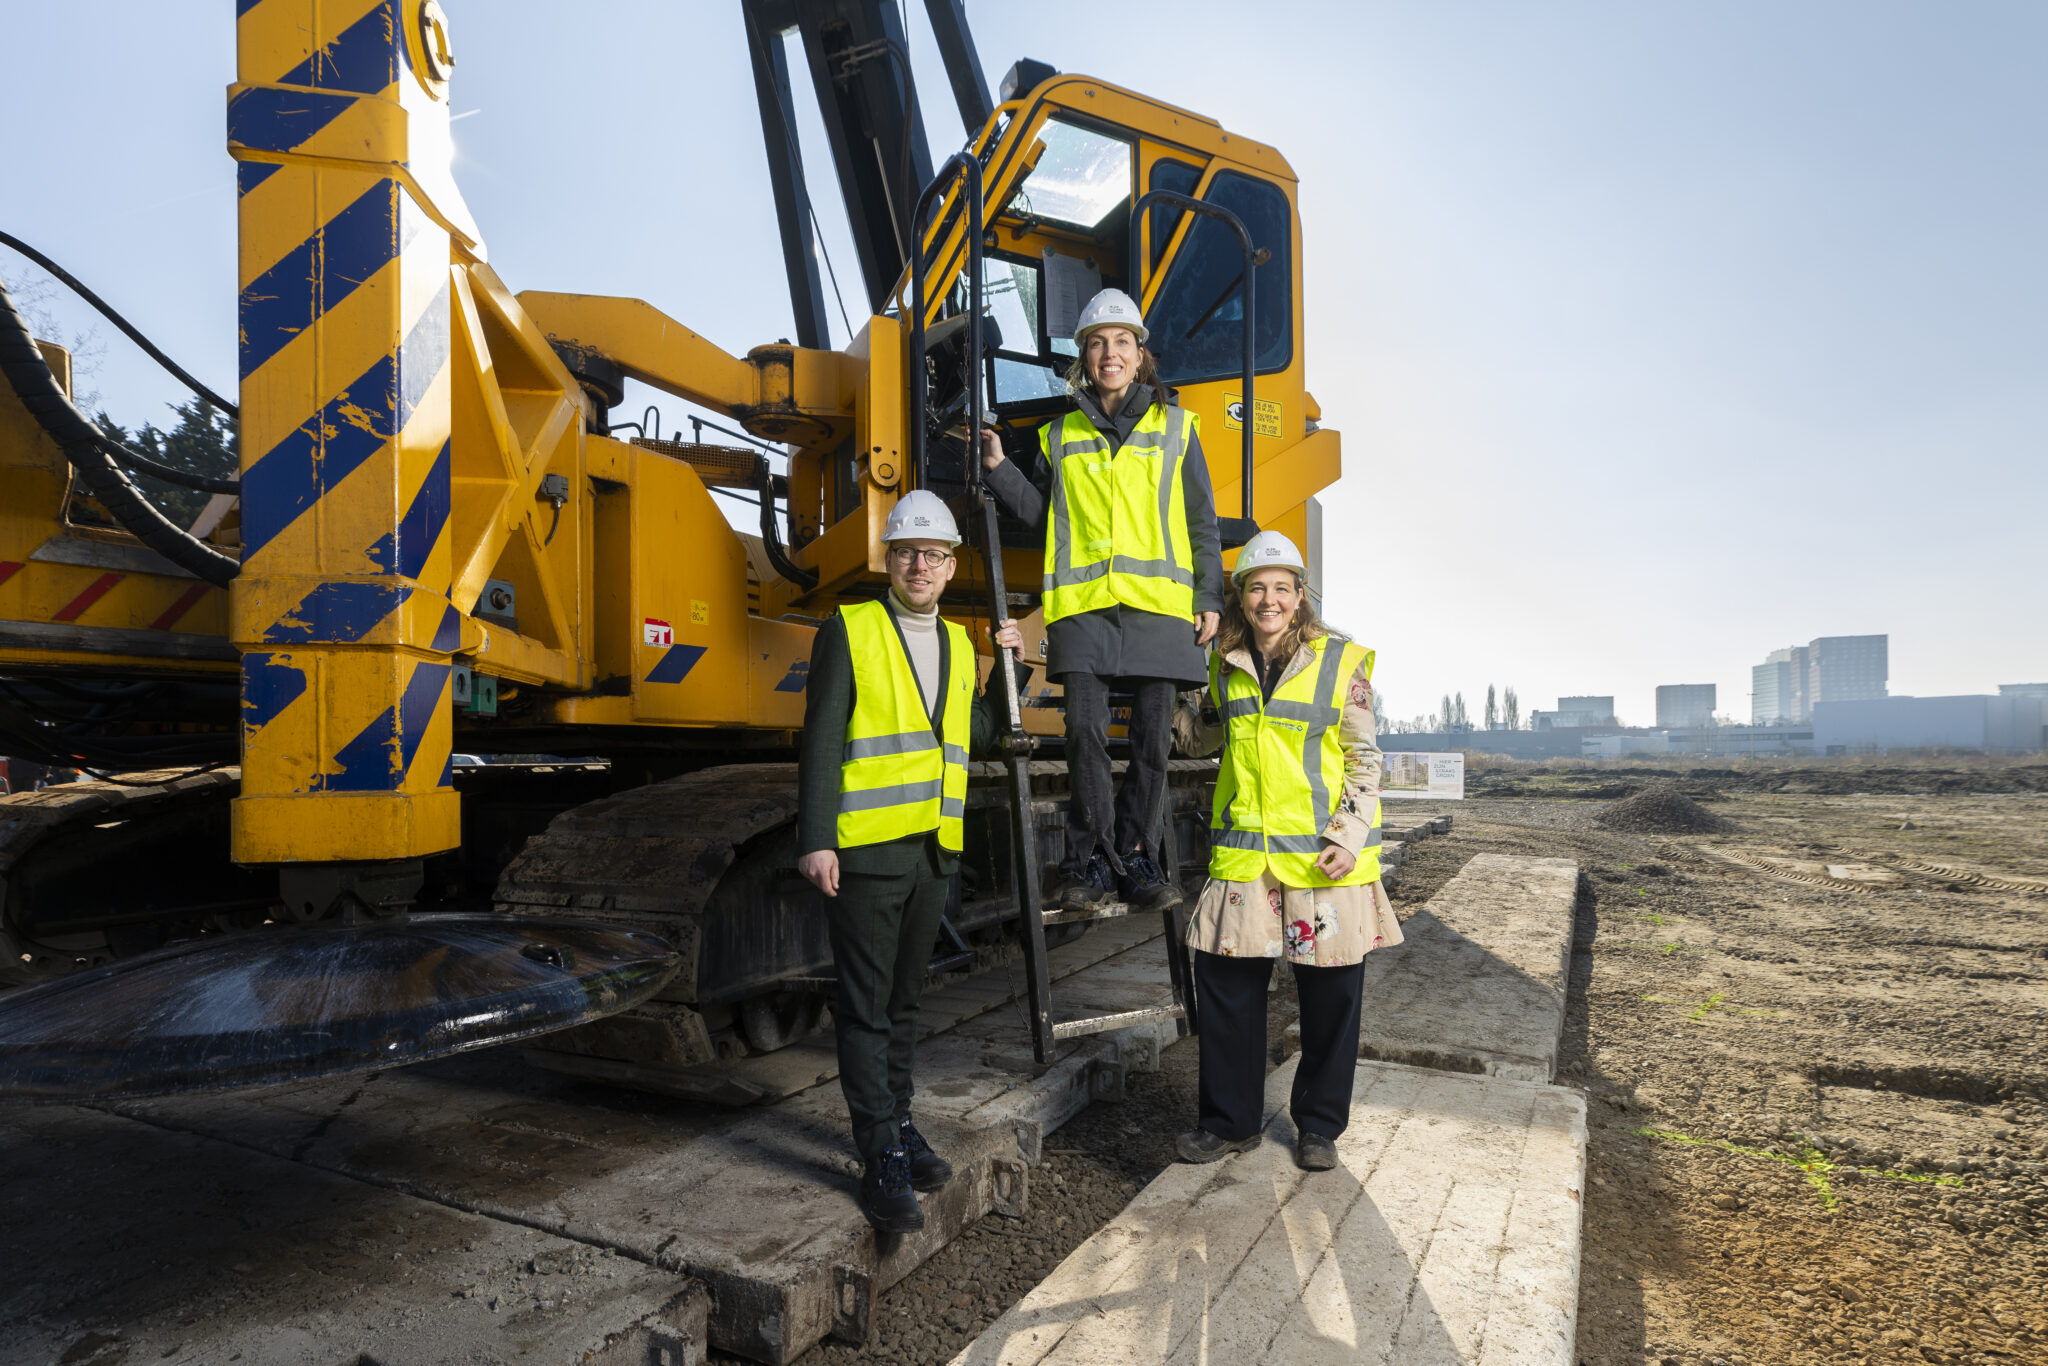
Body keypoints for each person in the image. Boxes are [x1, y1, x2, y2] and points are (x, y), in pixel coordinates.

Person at [796, 489, 1027, 1233]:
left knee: (902, 1006)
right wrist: (816, 837)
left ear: (950, 563)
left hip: (934, 851)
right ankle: (878, 1156)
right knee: (865, 1009)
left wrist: (1010, 669)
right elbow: (822, 737)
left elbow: (984, 732)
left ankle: (895, 1125)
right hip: (865, 851)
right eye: (906, 553)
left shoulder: (961, 644)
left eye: (933, 554)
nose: (919, 565)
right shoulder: (852, 628)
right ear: (888, 561)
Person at [978, 287, 1225, 916]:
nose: (1108, 354)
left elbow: (1201, 521)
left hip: (1160, 611)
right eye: (1096, 343)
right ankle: (1087, 861)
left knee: (1150, 742)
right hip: (1085, 610)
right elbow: (1043, 514)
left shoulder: (1177, 429)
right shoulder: (1058, 436)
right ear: (1083, 359)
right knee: (1084, 733)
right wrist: (1001, 467)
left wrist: (1208, 596)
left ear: (1140, 356)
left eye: (1121, 342)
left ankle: (1137, 856)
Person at [1170, 530, 1402, 1172]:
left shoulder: (1340, 663)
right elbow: (1200, 739)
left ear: (1301, 596)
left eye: (1281, 588)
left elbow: (1364, 760)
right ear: (1240, 598)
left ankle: (1319, 1127)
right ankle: (1229, 1123)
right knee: (1225, 990)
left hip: (1324, 862)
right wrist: (1166, 685)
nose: (1268, 599)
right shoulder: (1224, 664)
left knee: (1330, 1000)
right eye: (1256, 588)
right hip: (1248, 857)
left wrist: (1348, 836)